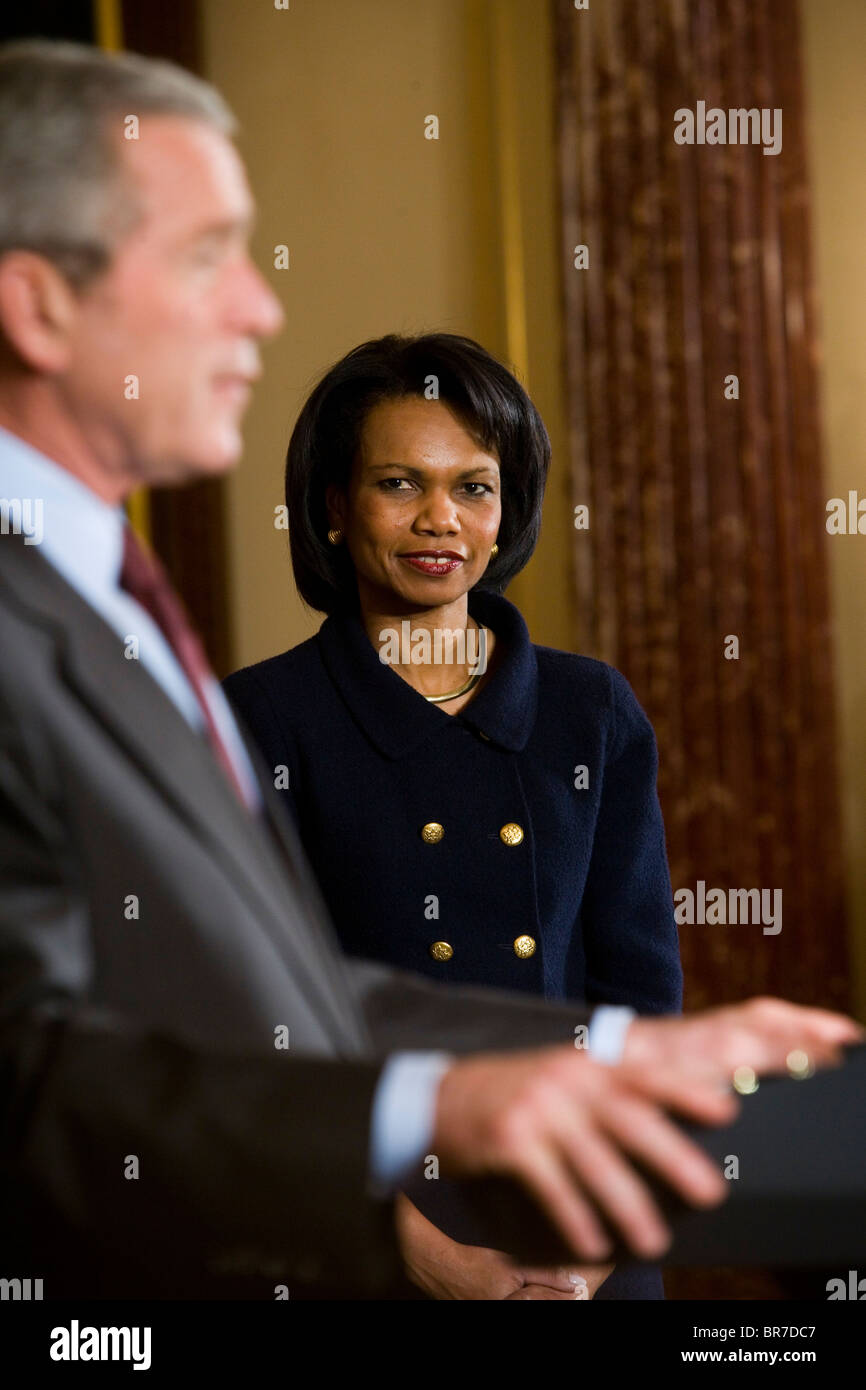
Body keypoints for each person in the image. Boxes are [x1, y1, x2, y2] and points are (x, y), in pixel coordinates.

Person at [0, 39, 860, 1301]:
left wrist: (633, 1053)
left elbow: (260, 995)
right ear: (39, 306)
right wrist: (403, 1192)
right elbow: (39, 1067)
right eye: (206, 254)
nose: (262, 304)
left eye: (471, 486)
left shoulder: (104, 606)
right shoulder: (191, 676)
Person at [223, 331, 682, 1300]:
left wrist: (600, 1234)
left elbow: (638, 1005)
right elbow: (250, 1032)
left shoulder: (588, 709)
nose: (441, 519)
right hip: (366, 1234)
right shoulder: (258, 720)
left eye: (473, 486)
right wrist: (409, 1246)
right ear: (334, 509)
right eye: (401, 484)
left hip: (580, 1219)